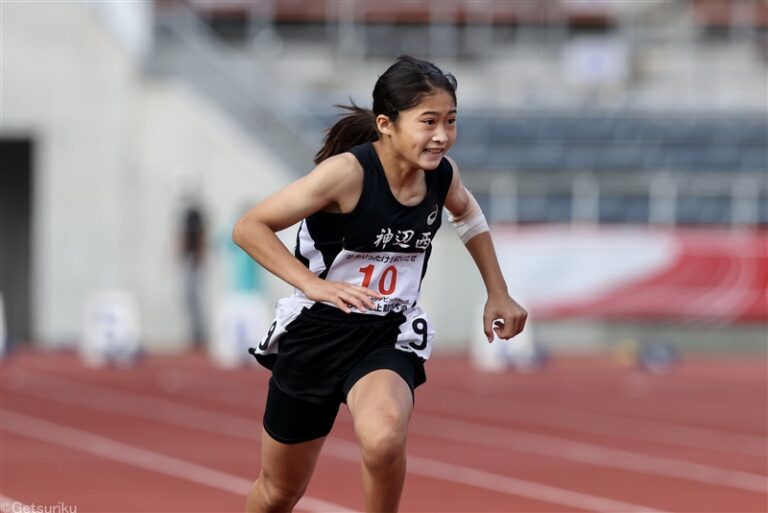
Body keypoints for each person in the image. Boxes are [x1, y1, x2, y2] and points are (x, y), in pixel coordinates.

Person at [232, 55, 527, 513]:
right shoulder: (346, 175)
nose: (442, 136)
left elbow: (467, 214)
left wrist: (498, 291)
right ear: (387, 124)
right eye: (428, 122)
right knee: (277, 493)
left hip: (386, 333)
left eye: (451, 121)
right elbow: (250, 227)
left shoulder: (441, 175)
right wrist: (313, 284)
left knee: (385, 436)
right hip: (318, 335)